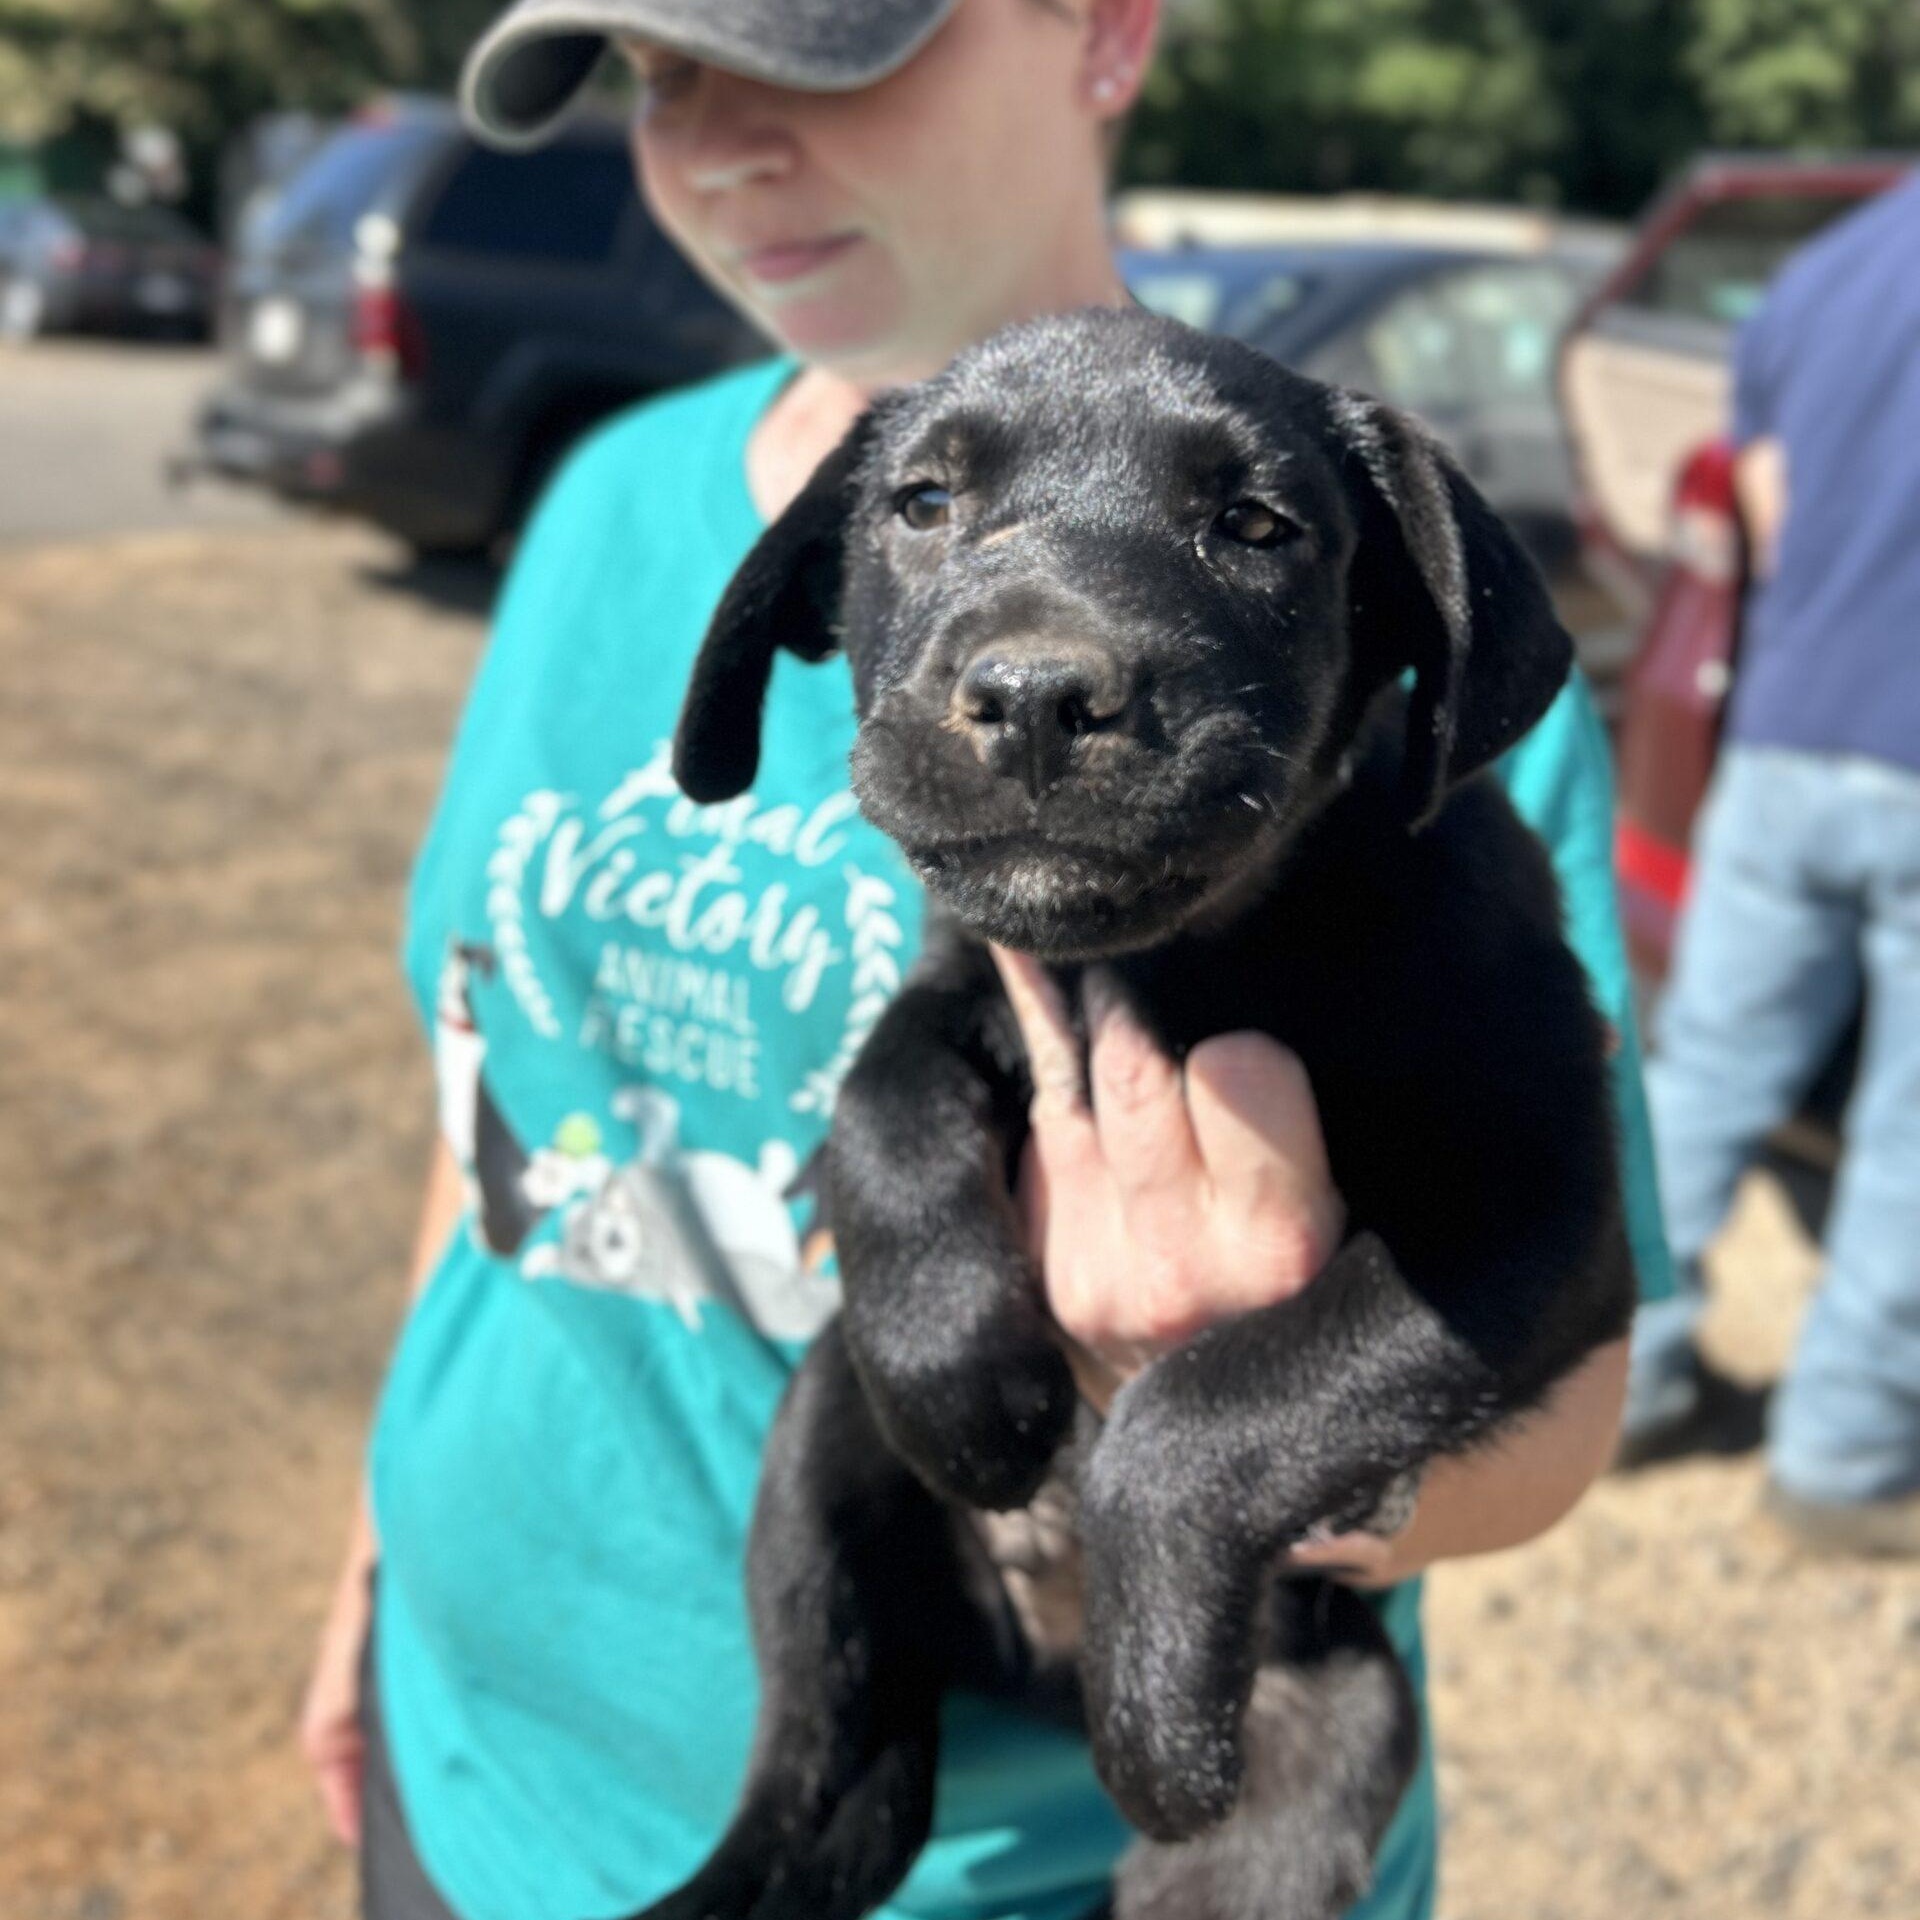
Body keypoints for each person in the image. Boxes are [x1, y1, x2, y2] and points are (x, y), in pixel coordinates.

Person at [298, 4, 1674, 1916]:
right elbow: (499, 1085)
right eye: (664, 74)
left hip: (1067, 1864)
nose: (723, 145)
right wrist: (379, 1545)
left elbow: (1566, 1383)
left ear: (1109, 29)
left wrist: (1181, 1419)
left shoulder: (1418, 659)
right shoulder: (611, 499)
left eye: (821, 49)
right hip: (487, 1763)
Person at [1617, 170, 1920, 1554]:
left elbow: (1770, 521)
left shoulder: (1817, 276)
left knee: (1707, 1080)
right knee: (1907, 1139)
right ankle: (1845, 1458)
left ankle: (1620, 1386)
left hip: (1784, 738)